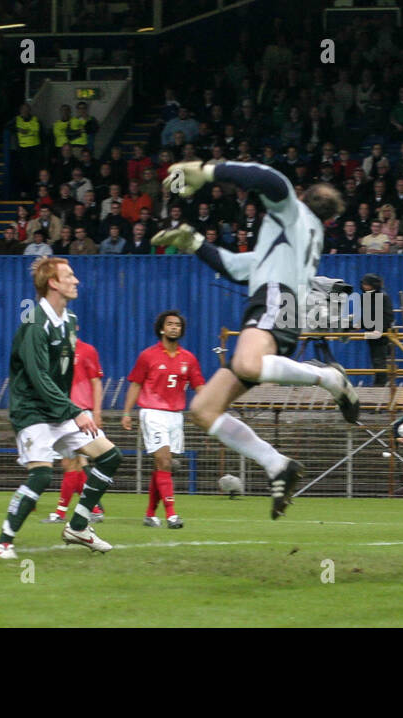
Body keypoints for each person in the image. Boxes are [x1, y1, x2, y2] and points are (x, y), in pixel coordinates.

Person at [152, 159, 359, 518]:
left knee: (246, 363)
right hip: (280, 304)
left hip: (275, 299)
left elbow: (265, 177)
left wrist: (205, 170)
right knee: (204, 409)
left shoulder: (291, 212)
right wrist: (195, 242)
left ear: (301, 196)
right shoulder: (293, 238)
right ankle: (277, 464)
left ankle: (329, 377)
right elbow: (235, 267)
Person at [0, 258, 122, 559]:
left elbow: (59, 376)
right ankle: (2, 543)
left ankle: (78, 526)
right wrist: (75, 410)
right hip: (32, 411)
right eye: (69, 275)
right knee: (42, 475)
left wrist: (69, 409)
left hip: (59, 410)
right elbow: (38, 377)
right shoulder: (35, 323)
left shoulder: (70, 322)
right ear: (53, 283)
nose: (76, 280)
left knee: (111, 457)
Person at [119, 311, 206, 528]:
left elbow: (199, 387)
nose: (174, 328)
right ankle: (172, 515)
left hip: (176, 416)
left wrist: (210, 407)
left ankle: (150, 514)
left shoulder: (189, 358)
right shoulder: (148, 355)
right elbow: (136, 384)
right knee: (165, 461)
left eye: (177, 325)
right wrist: (127, 412)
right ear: (161, 329)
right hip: (152, 412)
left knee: (162, 466)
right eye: (170, 324)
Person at [41, 326, 107, 526]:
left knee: (73, 464)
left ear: (76, 327)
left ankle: (61, 513)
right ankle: (94, 508)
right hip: (62, 414)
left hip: (81, 414)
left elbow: (96, 382)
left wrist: (96, 412)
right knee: (72, 464)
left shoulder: (87, 350)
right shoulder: (52, 351)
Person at [360, 273, 394, 385]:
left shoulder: (383, 297)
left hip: (382, 335)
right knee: (375, 360)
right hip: (371, 334)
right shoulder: (364, 298)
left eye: (367, 284)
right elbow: (366, 316)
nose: (364, 286)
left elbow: (388, 316)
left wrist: (379, 329)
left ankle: (380, 385)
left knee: (380, 360)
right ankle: (378, 383)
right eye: (364, 284)